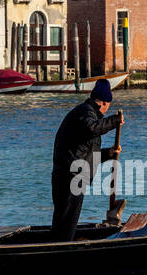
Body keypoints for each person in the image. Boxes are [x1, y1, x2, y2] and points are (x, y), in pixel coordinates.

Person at [50, 78, 122, 242]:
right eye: (108, 105)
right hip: (70, 175)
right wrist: (114, 121)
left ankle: (61, 244)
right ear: (104, 102)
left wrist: (109, 153)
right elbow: (92, 129)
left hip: (73, 174)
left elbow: (87, 152)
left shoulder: (87, 114)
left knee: (66, 220)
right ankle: (61, 250)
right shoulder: (85, 113)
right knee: (66, 219)